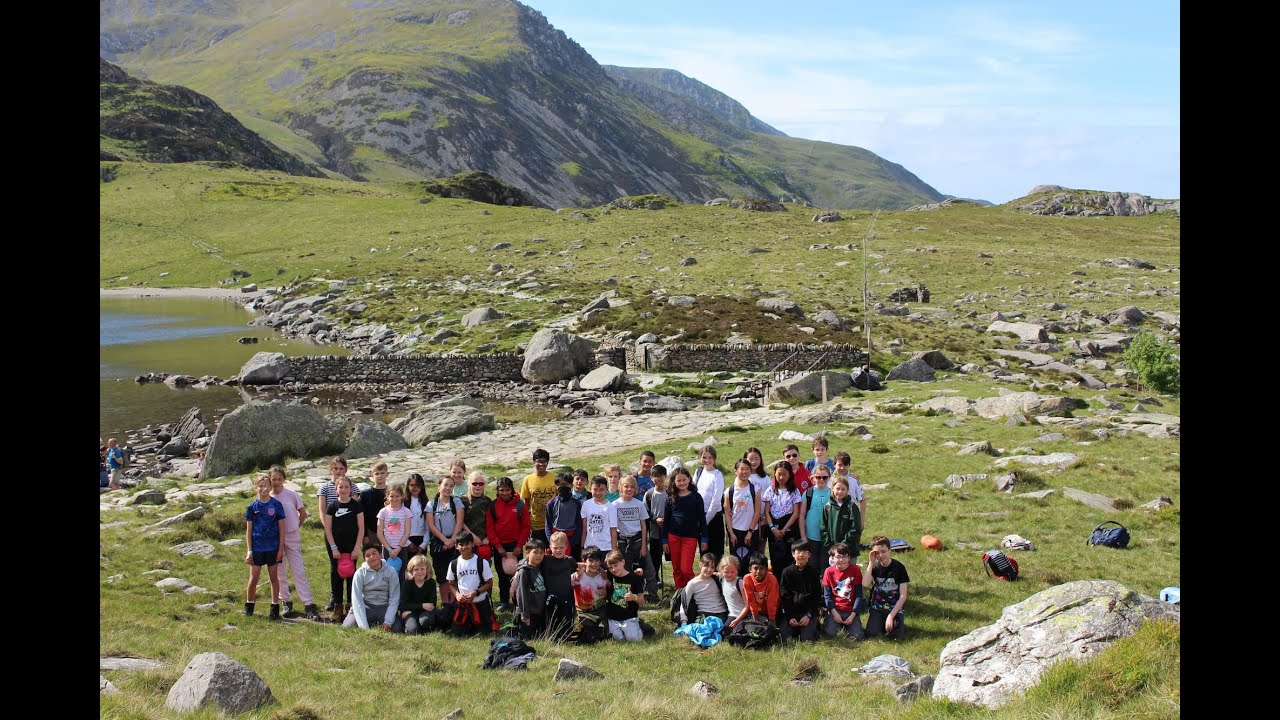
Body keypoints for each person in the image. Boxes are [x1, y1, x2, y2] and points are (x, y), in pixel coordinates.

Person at [269, 465, 321, 621]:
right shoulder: (267, 496)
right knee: (279, 572)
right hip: (274, 539)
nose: (276, 482)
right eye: (273, 479)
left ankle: (309, 604)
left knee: (298, 571)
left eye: (279, 479)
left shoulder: (292, 495)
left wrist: (296, 526)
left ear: (284, 479)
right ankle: (286, 601)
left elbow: (302, 513)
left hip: (291, 536)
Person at [244, 474, 286, 620]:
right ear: (256, 488)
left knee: (274, 577)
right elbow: (248, 531)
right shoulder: (251, 507)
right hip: (257, 548)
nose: (264, 489)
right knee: (254, 578)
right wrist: (249, 551)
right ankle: (249, 605)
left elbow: (282, 529)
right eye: (260, 486)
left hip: (273, 547)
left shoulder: (276, 505)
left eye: (266, 486)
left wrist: (280, 549)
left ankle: (274, 607)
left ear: (270, 487)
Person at [323, 475, 364, 622]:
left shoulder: (356, 505)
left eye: (347, 487)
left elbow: (361, 528)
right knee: (337, 574)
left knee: (351, 574)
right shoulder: (332, 506)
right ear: (336, 489)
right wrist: (334, 548)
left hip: (351, 545)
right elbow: (328, 529)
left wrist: (357, 548)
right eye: (341, 487)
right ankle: (338, 607)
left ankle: (351, 606)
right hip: (335, 546)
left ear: (350, 489)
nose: (344, 490)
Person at [488, 477, 531, 610]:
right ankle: (504, 601)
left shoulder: (520, 505)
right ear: (497, 491)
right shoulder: (493, 506)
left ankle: (517, 601)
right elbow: (490, 528)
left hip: (515, 546)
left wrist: (519, 545)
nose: (505, 493)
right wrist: (498, 546)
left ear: (512, 490)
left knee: (517, 575)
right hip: (499, 547)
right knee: (502, 575)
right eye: (501, 490)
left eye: (507, 490)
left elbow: (526, 526)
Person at [663, 467, 707, 590]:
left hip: (690, 537)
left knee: (685, 569)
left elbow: (702, 519)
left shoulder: (696, 497)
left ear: (689, 479)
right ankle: (680, 592)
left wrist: (704, 538)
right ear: (674, 482)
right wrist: (664, 540)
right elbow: (666, 520)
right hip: (673, 536)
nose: (682, 482)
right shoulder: (670, 498)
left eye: (684, 479)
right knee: (677, 568)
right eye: (679, 480)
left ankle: (692, 590)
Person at [427, 475, 467, 605]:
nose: (448, 488)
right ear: (439, 487)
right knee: (442, 575)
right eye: (446, 485)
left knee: (455, 573)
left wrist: (453, 539)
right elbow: (431, 525)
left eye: (451, 486)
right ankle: (445, 603)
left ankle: (456, 602)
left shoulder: (456, 501)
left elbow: (459, 522)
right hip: (439, 541)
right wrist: (444, 540)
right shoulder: (431, 504)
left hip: (455, 540)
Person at [445, 532, 494, 637]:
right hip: (463, 605)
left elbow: (489, 584)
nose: (464, 547)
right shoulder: (454, 564)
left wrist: (476, 592)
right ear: (456, 546)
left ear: (472, 544)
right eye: (461, 544)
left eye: (467, 544)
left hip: (480, 603)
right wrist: (457, 595)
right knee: (458, 633)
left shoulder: (482, 562)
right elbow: (450, 584)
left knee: (484, 633)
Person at [761, 462, 803, 581]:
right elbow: (767, 512)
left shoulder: (794, 491)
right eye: (779, 474)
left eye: (784, 474)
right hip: (773, 527)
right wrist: (772, 528)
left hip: (789, 527)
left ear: (790, 475)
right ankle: (777, 585)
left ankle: (790, 585)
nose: (781, 477)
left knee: (789, 558)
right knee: (776, 559)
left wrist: (784, 529)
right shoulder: (770, 490)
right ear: (775, 474)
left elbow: (796, 513)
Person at [863, 535, 910, 639]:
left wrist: (891, 616)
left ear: (890, 550)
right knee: (871, 633)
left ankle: (895, 621)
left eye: (883, 551)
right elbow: (865, 584)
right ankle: (881, 622)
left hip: (894, 608)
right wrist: (871, 562)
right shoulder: (874, 567)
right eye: (877, 553)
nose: (880, 555)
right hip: (878, 607)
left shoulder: (899, 568)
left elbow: (903, 596)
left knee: (896, 636)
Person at [344, 544, 399, 631]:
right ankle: (368, 622)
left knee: (397, 628)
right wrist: (363, 627)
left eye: (374, 553)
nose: (372, 557)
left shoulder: (391, 571)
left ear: (380, 555)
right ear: (364, 559)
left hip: (384, 606)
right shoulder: (360, 573)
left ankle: (378, 622)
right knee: (348, 628)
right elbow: (357, 600)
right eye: (367, 555)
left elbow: (394, 597)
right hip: (365, 605)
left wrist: (388, 621)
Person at [723, 459, 760, 575]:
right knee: (736, 562)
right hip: (735, 532)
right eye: (742, 469)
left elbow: (757, 512)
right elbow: (727, 513)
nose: (745, 472)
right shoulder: (729, 491)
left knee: (751, 562)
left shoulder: (755, 490)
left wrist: (750, 531)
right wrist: (731, 533)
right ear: (735, 471)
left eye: (748, 469)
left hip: (751, 531)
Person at [779, 541, 821, 642]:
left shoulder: (814, 572)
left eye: (804, 552)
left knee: (807, 639)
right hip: (792, 612)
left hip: (807, 612)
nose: (801, 555)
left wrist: (809, 615)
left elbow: (817, 596)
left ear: (809, 555)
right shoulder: (787, 572)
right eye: (798, 552)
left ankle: (814, 624)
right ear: (793, 554)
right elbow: (784, 596)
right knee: (784, 636)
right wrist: (790, 617)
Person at [822, 543, 865, 641]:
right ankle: (835, 623)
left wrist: (853, 614)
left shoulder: (855, 570)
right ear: (832, 558)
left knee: (857, 637)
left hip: (850, 610)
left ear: (849, 557)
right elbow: (827, 596)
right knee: (830, 634)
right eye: (838, 557)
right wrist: (833, 612)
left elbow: (859, 595)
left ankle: (848, 624)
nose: (841, 560)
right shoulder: (828, 571)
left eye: (844, 556)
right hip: (835, 609)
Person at [542, 531, 578, 640]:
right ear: (550, 547)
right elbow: (528, 561)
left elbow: (580, 567)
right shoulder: (546, 560)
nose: (558, 550)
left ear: (566, 547)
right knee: (551, 623)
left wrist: (579, 572)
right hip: (550, 598)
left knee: (567, 624)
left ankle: (566, 635)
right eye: (555, 547)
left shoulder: (570, 560)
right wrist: (517, 574)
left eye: (561, 547)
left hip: (567, 597)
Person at [569, 546, 610, 643]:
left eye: (597, 560)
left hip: (601, 611)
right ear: (584, 561)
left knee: (605, 634)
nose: (594, 564)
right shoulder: (577, 578)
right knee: (589, 636)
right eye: (591, 560)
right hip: (585, 613)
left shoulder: (603, 577)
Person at [603, 549, 645, 641]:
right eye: (610, 567)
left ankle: (642, 626)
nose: (613, 569)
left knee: (634, 639)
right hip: (612, 617)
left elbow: (642, 601)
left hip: (629, 617)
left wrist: (633, 597)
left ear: (623, 562)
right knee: (617, 639)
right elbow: (594, 567)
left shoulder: (634, 579)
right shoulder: (609, 575)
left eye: (615, 565)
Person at [612, 476, 649, 578]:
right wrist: (614, 547)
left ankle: (646, 587)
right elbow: (613, 527)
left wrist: (644, 546)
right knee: (625, 568)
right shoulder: (615, 505)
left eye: (632, 487)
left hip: (637, 541)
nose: (629, 489)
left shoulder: (639, 504)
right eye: (626, 486)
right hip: (622, 542)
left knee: (644, 569)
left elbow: (643, 526)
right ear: (620, 488)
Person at [693, 445, 726, 561]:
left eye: (710, 457)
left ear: (714, 459)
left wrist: (705, 521)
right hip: (700, 516)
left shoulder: (717, 475)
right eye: (704, 457)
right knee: (704, 553)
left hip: (714, 518)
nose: (707, 460)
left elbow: (716, 501)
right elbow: (693, 492)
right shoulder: (698, 471)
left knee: (716, 553)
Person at [376, 482, 413, 583]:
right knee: (387, 574)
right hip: (387, 548)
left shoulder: (406, 512)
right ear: (387, 496)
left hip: (401, 547)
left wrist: (398, 548)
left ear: (402, 496)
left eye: (397, 496)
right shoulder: (383, 512)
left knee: (401, 573)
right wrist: (389, 549)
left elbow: (407, 532)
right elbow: (379, 533)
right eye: (392, 496)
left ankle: (400, 592)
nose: (395, 498)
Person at [511, 538, 548, 639]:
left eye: (541, 553)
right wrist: (525, 615)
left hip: (539, 612)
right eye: (535, 552)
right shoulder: (523, 572)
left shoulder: (540, 567)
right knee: (526, 639)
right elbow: (521, 594)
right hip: (528, 614)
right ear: (527, 553)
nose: (539, 555)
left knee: (540, 637)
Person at [820, 476, 862, 563]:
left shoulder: (851, 507)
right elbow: (823, 529)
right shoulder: (828, 507)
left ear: (847, 491)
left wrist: (843, 544)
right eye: (837, 488)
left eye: (843, 489)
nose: (840, 491)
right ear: (832, 489)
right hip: (833, 551)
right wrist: (831, 547)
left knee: (850, 571)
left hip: (849, 550)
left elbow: (856, 528)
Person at [732, 552, 779, 630]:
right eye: (755, 568)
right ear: (750, 569)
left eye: (762, 568)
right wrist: (755, 619)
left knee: (777, 630)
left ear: (766, 570)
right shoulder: (747, 579)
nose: (758, 571)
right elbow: (750, 599)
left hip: (773, 611)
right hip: (758, 612)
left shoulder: (772, 579)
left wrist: (772, 620)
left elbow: (772, 601)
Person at [642, 464, 669, 600]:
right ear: (651, 478)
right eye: (655, 477)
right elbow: (645, 511)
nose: (658, 479)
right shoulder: (649, 494)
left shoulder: (670, 492)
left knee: (670, 555)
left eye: (660, 476)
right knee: (655, 557)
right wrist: (654, 519)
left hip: (669, 530)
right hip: (654, 530)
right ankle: (655, 579)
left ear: (665, 476)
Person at [679, 554, 729, 624]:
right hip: (704, 615)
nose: (709, 569)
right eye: (706, 566)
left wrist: (722, 573)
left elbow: (730, 575)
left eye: (712, 567)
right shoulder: (692, 583)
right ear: (700, 565)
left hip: (721, 614)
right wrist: (683, 621)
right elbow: (684, 604)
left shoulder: (716, 578)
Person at [519, 449, 558, 540]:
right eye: (538, 461)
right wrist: (526, 522)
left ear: (547, 463)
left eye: (544, 461)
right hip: (535, 524)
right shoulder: (527, 480)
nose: (541, 464)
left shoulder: (554, 477)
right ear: (534, 462)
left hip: (553, 522)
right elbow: (526, 502)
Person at [802, 465, 833, 575]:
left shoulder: (832, 493)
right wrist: (803, 535)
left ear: (829, 477)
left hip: (827, 537)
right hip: (811, 536)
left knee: (826, 565)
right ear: (813, 478)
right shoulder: (808, 493)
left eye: (824, 477)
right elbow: (801, 515)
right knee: (812, 565)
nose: (821, 480)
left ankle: (825, 585)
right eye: (818, 477)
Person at [544, 473, 583, 559]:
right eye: (560, 484)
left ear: (571, 485)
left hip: (571, 539)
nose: (562, 487)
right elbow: (548, 524)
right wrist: (551, 540)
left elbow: (579, 524)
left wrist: (572, 542)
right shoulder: (551, 503)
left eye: (565, 484)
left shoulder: (576, 503)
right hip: (555, 539)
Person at [398, 554, 439, 634]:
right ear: (411, 571)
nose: (419, 572)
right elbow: (403, 605)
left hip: (425, 612)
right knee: (412, 631)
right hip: (410, 612)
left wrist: (414, 607)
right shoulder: (407, 583)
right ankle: (411, 626)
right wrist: (422, 606)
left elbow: (431, 605)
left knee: (425, 621)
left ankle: (423, 626)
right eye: (416, 569)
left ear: (427, 569)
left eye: (422, 569)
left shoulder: (431, 583)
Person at [462, 470, 493, 567]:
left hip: (484, 542)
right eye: (474, 483)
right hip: (467, 541)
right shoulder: (462, 500)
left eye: (481, 484)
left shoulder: (488, 501)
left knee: (484, 569)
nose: (478, 486)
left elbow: (493, 521)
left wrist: (488, 537)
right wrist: (472, 536)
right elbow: (460, 521)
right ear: (469, 484)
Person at [580, 475, 618, 553]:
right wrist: (582, 547)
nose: (598, 493)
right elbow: (584, 528)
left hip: (606, 548)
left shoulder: (611, 507)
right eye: (595, 489)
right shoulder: (586, 504)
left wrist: (614, 550)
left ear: (606, 490)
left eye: (601, 490)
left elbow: (613, 530)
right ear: (590, 489)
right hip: (589, 547)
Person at [403, 473, 431, 576]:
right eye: (412, 485)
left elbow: (428, 526)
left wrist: (424, 544)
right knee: (408, 570)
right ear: (408, 486)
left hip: (421, 540)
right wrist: (407, 543)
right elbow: (401, 525)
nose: (415, 488)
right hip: (406, 539)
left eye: (418, 485)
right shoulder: (403, 503)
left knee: (420, 569)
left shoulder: (426, 503)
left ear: (422, 486)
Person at [833, 451, 868, 534]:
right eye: (840, 465)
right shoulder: (828, 479)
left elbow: (862, 500)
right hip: (834, 517)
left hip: (850, 517)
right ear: (834, 464)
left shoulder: (854, 480)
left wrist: (861, 521)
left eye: (845, 465)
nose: (842, 468)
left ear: (849, 465)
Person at [361, 461, 389, 551]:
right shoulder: (365, 495)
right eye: (377, 473)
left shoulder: (392, 494)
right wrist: (365, 535)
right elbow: (362, 517)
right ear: (372, 475)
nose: (379, 476)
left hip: (390, 532)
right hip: (371, 532)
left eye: (382, 473)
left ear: (387, 474)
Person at [718, 555, 746, 622]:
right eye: (726, 572)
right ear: (721, 571)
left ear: (736, 570)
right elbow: (716, 574)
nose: (729, 574)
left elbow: (747, 606)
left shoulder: (740, 583)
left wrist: (737, 620)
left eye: (732, 572)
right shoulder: (722, 579)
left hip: (741, 615)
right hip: (731, 614)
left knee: (726, 628)